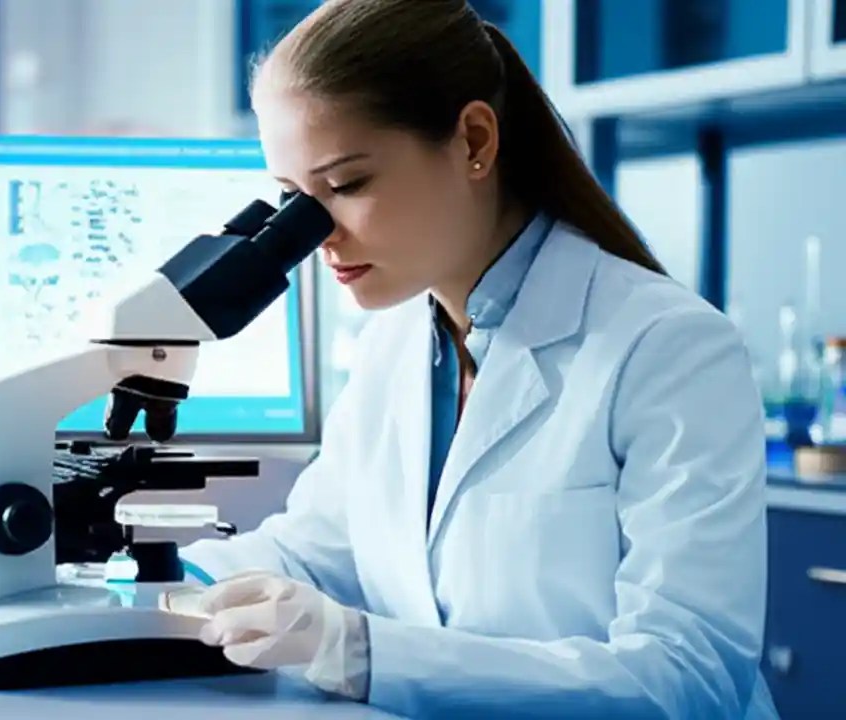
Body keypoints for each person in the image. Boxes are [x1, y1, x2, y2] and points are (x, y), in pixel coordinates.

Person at [172, 1, 778, 717]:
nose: (317, 238)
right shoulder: (392, 347)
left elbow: (687, 677)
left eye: (346, 185)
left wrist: (366, 653)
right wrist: (146, 583)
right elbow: (315, 553)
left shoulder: (669, 348)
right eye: (292, 199)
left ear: (474, 140)